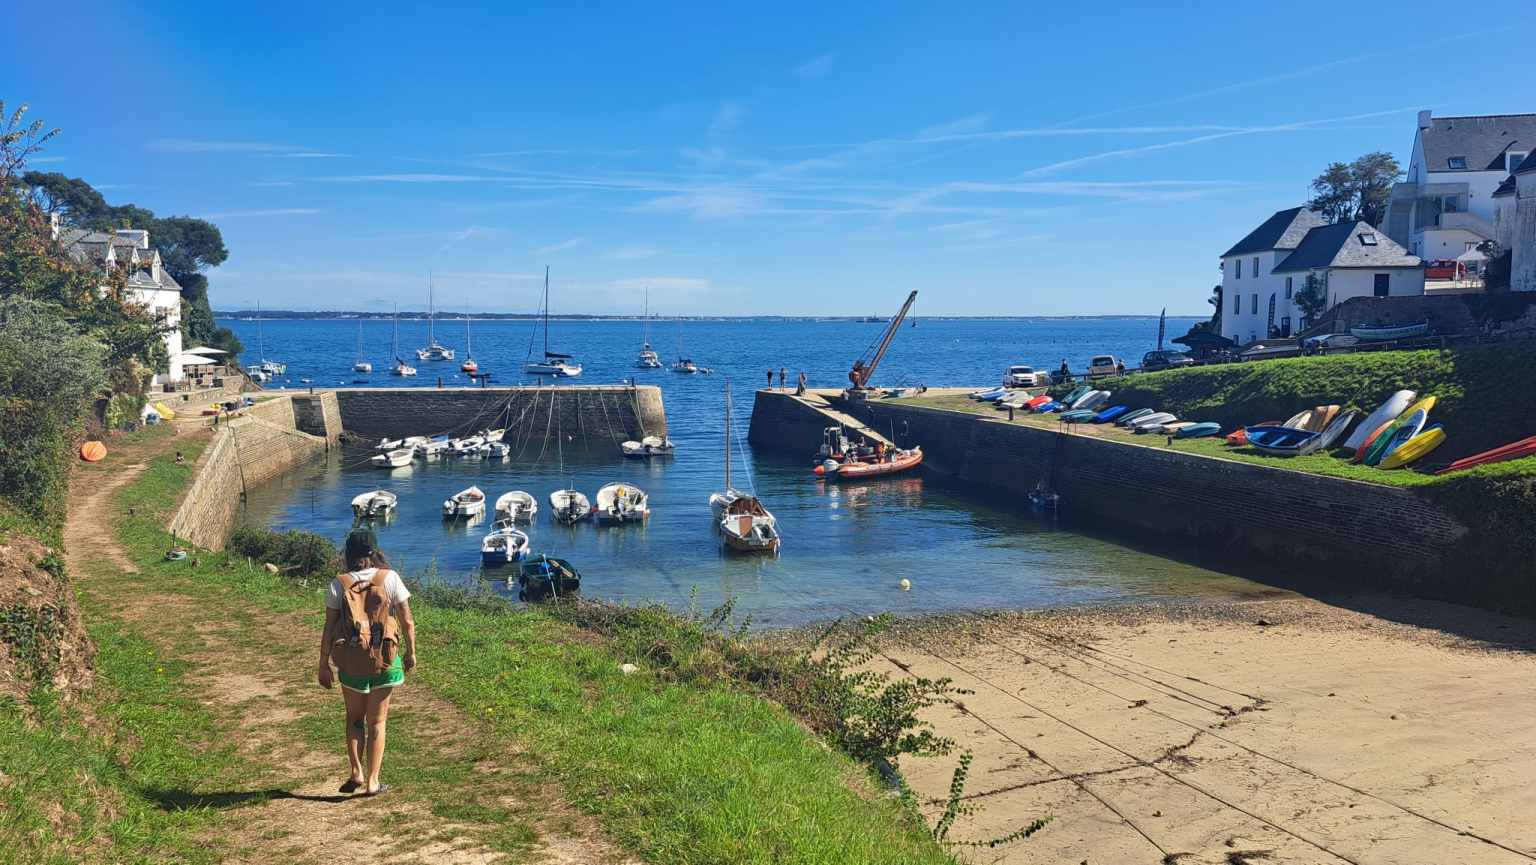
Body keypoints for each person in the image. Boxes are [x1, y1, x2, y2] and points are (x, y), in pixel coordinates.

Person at [319, 529, 416, 796]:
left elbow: (329, 627)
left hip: (351, 659)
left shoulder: (339, 583)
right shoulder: (389, 578)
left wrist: (323, 662)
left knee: (353, 718)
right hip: (385, 659)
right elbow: (406, 620)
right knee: (378, 720)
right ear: (375, 552)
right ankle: (373, 781)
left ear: (347, 555)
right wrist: (410, 652)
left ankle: (356, 772)